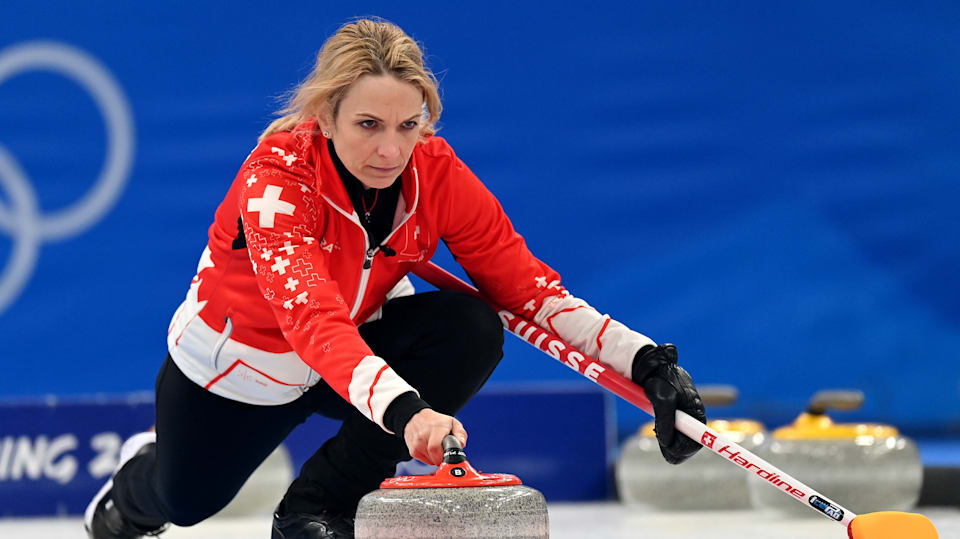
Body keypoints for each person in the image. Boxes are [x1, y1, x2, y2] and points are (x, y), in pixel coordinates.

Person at [84, 18, 707, 539]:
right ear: (325, 117)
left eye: (409, 125)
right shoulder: (275, 183)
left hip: (359, 349)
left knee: (470, 328)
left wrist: (647, 364)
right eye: (368, 125)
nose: (391, 150)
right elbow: (313, 323)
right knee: (186, 504)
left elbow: (526, 289)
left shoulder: (433, 171)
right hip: (242, 370)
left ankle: (316, 507)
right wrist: (410, 414)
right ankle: (133, 484)